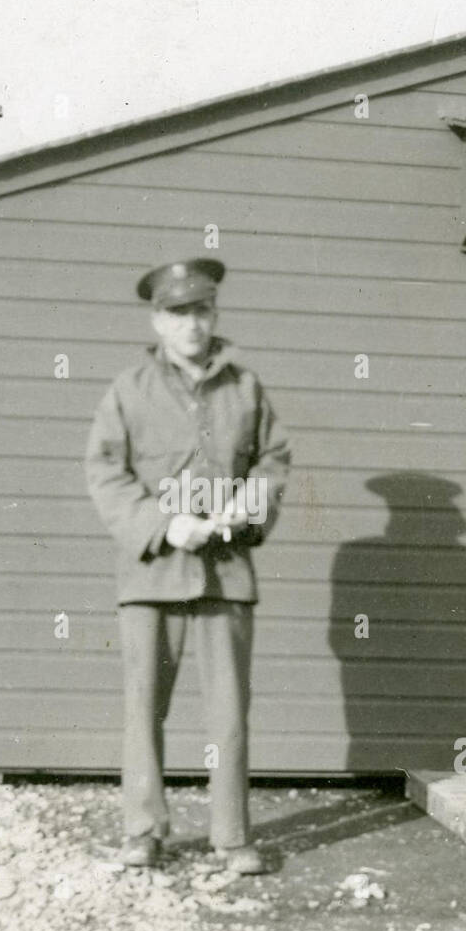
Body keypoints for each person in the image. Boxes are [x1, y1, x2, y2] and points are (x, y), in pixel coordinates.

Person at [85, 258, 291, 873]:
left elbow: (273, 462)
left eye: (201, 310)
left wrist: (239, 511)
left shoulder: (245, 388)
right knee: (143, 706)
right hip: (151, 574)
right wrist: (165, 524)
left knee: (227, 711)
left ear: (215, 315)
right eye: (178, 313)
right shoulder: (128, 390)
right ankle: (143, 832)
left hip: (224, 572)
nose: (192, 324)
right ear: (158, 321)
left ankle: (232, 838)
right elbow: (105, 472)